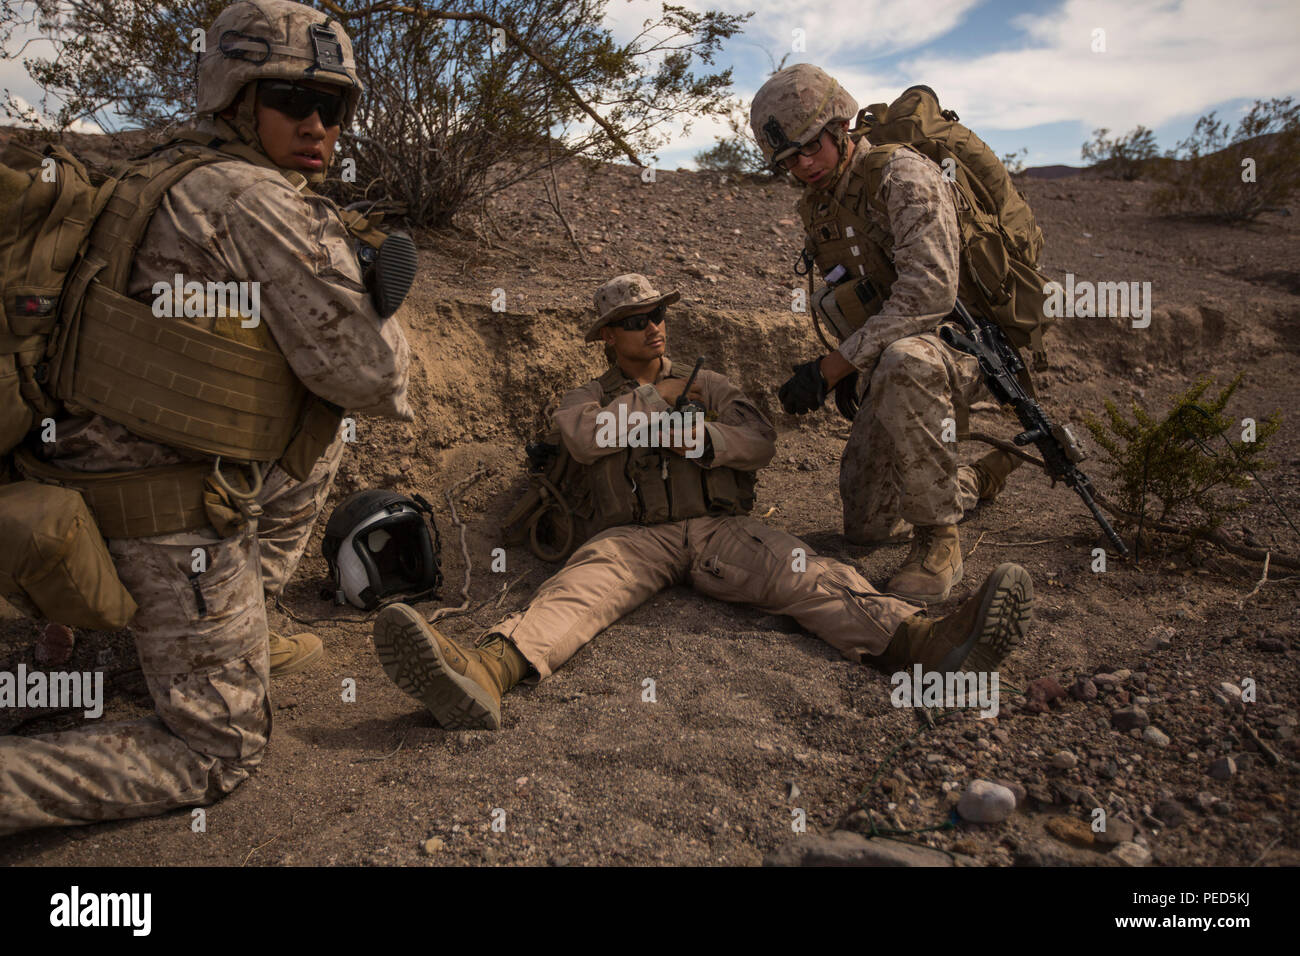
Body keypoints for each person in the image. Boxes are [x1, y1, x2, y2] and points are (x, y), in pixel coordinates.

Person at [0, 0, 411, 836]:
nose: (317, 124)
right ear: (235, 95)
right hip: (162, 521)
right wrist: (374, 295)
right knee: (219, 753)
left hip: (58, 470)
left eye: (334, 106)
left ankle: (238, 624)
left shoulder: (143, 161)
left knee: (313, 440)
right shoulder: (258, 201)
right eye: (293, 100)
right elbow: (374, 378)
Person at [372, 274, 1033, 732]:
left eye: (659, 315)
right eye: (635, 321)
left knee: (809, 574)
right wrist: (652, 404)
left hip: (720, 530)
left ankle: (924, 646)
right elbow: (577, 438)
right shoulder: (587, 395)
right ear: (606, 334)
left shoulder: (708, 384)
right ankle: (486, 672)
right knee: (577, 593)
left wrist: (704, 438)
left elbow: (759, 443)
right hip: (634, 538)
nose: (654, 328)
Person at [749, 64, 1022, 604]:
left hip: (963, 345)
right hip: (896, 349)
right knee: (867, 527)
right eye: (787, 160)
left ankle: (939, 542)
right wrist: (853, 363)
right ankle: (977, 479)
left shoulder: (903, 176)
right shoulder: (822, 201)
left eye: (809, 147)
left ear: (838, 127)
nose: (803, 165)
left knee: (904, 361)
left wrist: (836, 368)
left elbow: (929, 295)